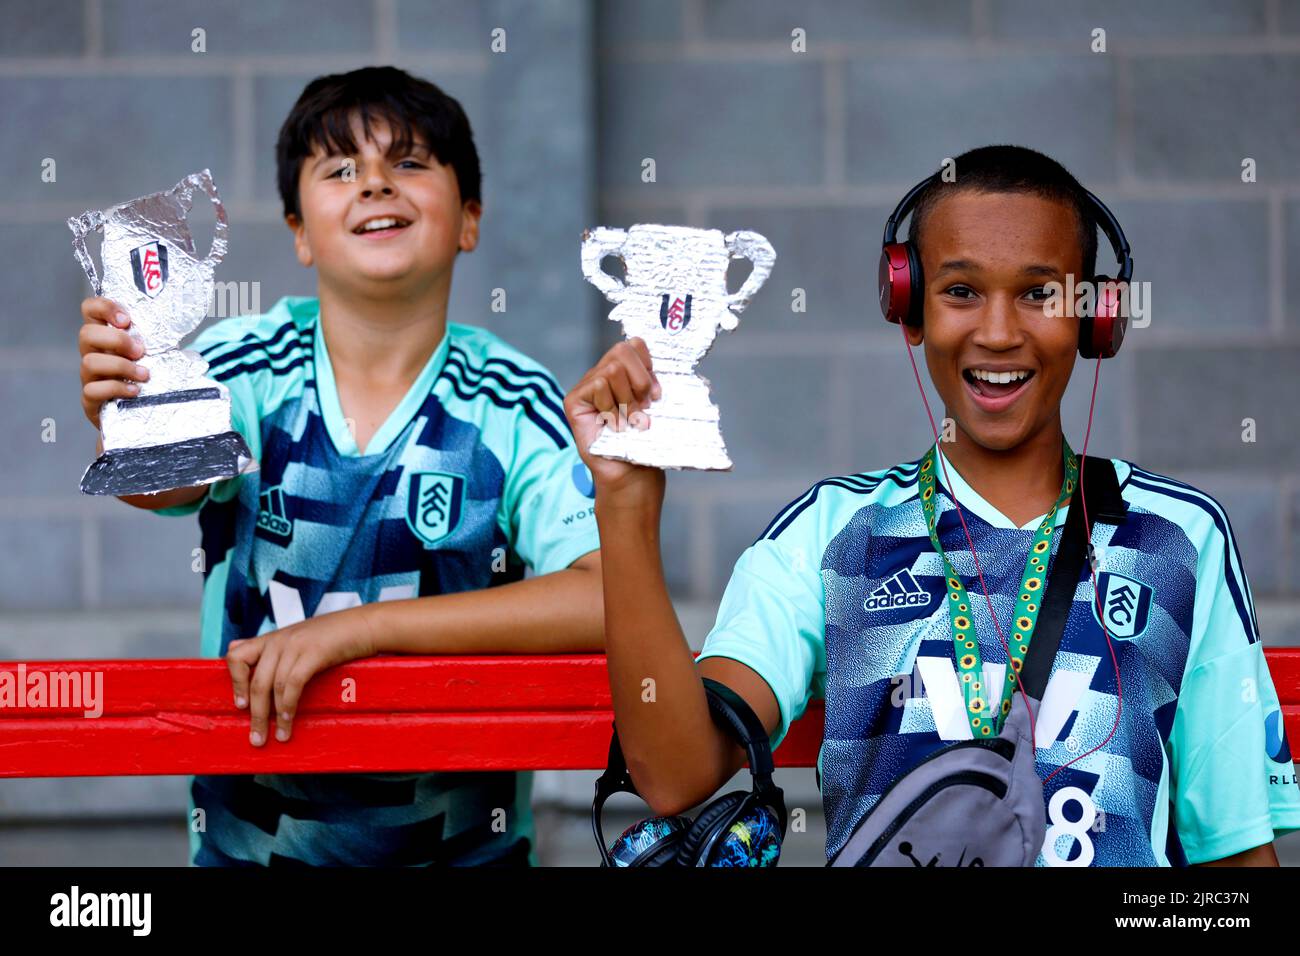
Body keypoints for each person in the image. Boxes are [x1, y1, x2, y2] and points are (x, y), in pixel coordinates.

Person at [565, 144, 1300, 866]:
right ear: (910, 309)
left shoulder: (1178, 538)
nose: (999, 331)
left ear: (1097, 317)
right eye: (961, 291)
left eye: (1040, 293)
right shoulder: (830, 536)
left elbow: (1234, 854)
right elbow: (672, 775)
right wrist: (625, 506)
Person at [77, 65, 603, 866]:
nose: (377, 185)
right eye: (341, 169)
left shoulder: (513, 401)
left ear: (469, 220)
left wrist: (358, 633)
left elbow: (605, 598)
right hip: (250, 850)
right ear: (298, 232)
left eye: (412, 162)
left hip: (465, 856)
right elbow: (162, 482)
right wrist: (122, 417)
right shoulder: (245, 365)